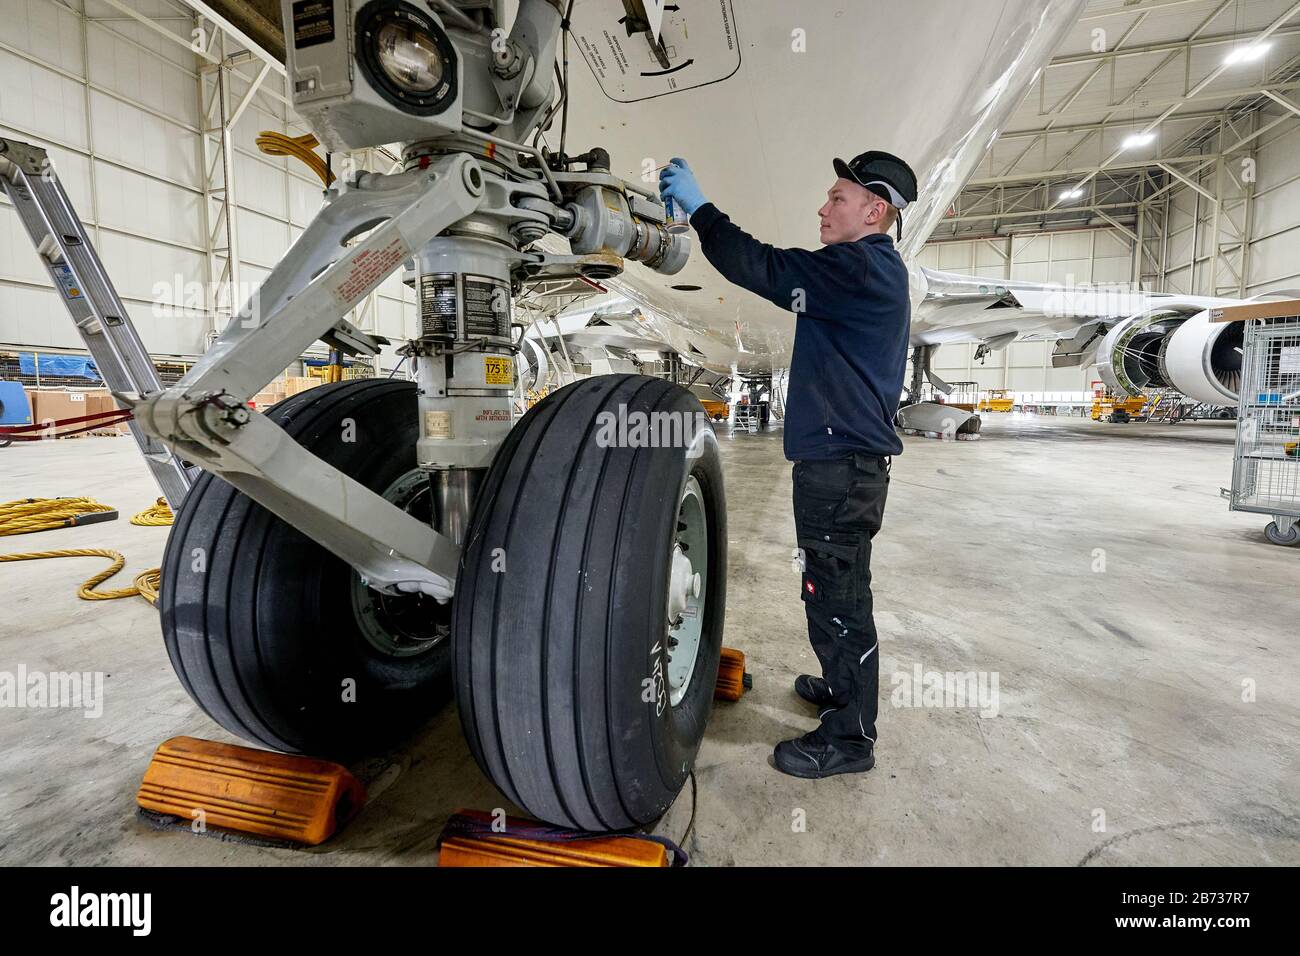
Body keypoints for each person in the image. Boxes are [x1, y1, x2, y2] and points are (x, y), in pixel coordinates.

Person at [660, 151, 917, 778]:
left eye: (837, 198)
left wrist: (700, 209)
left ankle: (852, 738)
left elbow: (763, 267)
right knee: (832, 588)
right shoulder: (871, 270)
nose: (823, 209)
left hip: (840, 466)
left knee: (838, 597)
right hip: (843, 463)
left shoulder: (858, 267)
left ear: (873, 210)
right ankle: (839, 687)